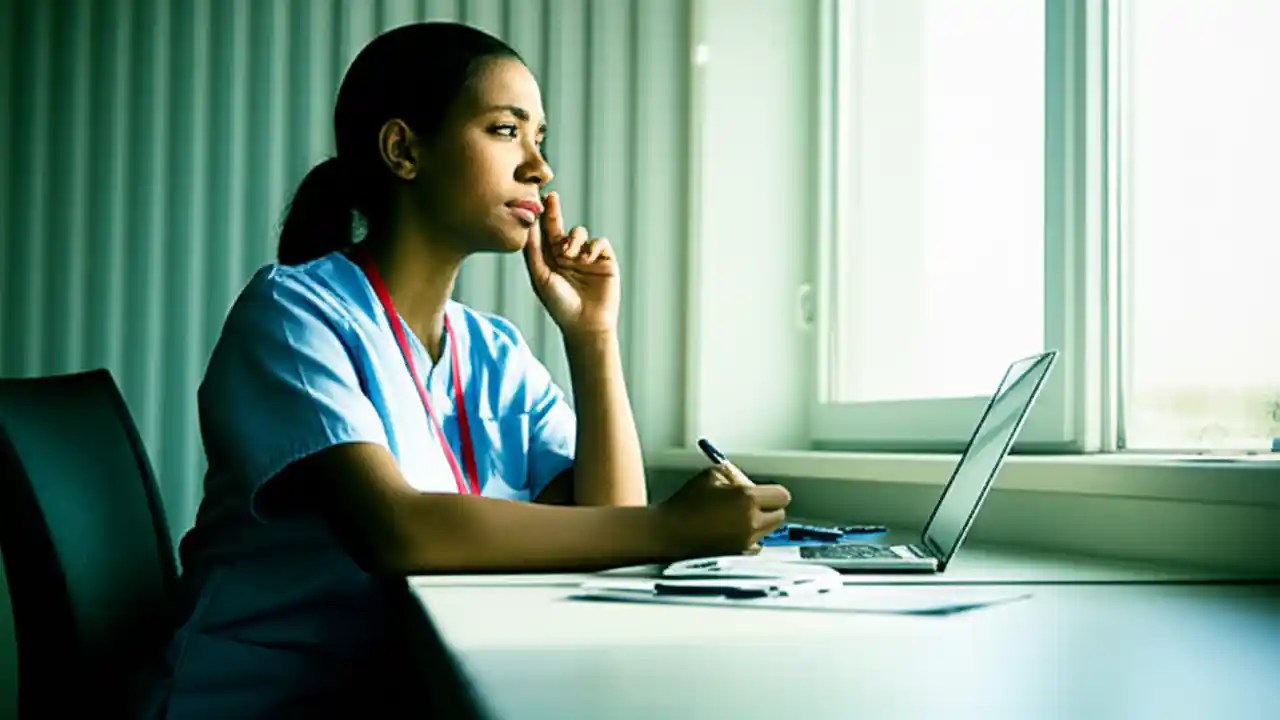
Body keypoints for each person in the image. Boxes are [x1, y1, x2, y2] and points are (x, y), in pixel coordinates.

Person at [138, 21, 791, 718]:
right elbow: (399, 531)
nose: (539, 168)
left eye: (541, 140)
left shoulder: (494, 350)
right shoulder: (293, 312)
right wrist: (675, 529)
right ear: (404, 149)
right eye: (507, 130)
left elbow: (611, 526)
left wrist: (593, 338)